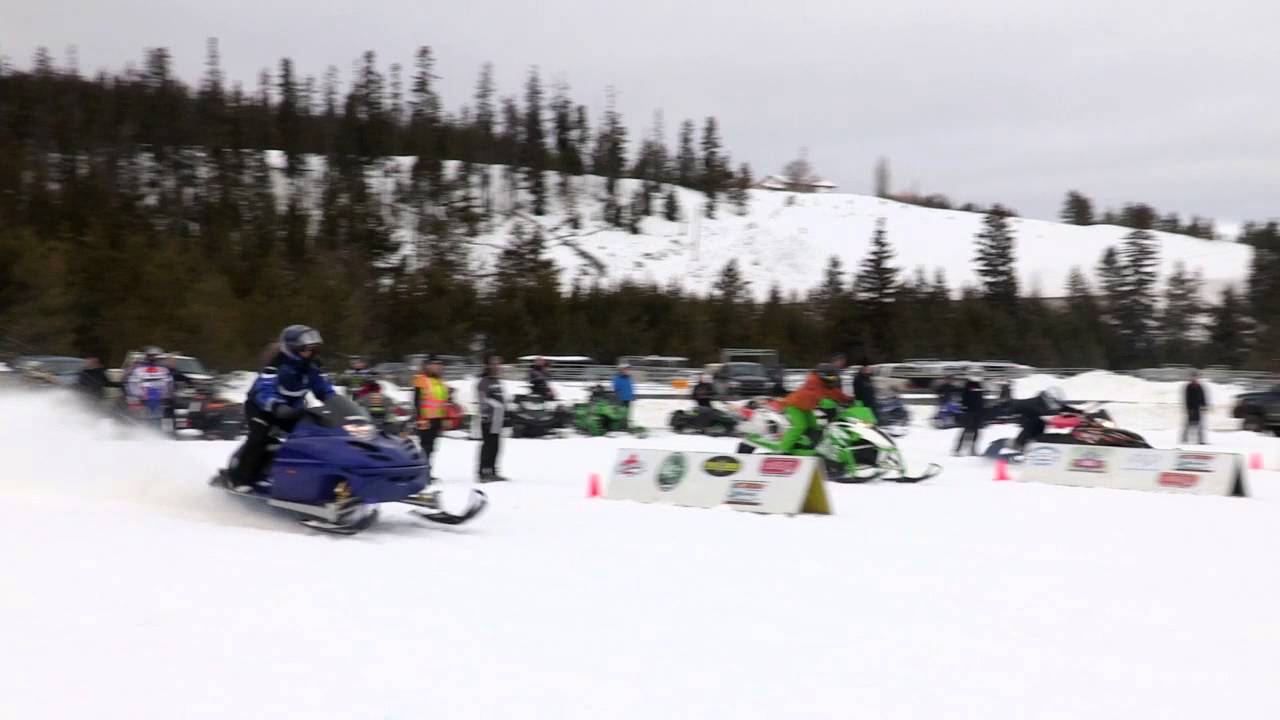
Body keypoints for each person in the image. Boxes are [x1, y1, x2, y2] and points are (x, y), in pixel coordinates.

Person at [222, 325, 334, 492]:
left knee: (311, 437)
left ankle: (301, 480)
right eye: (306, 350)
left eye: (313, 349)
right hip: (262, 407)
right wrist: (275, 405)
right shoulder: (276, 365)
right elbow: (263, 388)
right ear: (293, 349)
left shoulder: (313, 366)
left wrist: (335, 403)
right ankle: (239, 478)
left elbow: (323, 388)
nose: (310, 353)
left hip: (292, 410)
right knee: (260, 437)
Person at [752, 363, 851, 455]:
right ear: (823, 375)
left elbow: (834, 393)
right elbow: (820, 393)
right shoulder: (813, 382)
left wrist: (848, 399)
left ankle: (808, 445)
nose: (834, 379)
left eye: (835, 376)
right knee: (800, 426)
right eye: (832, 376)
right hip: (794, 405)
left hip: (806, 408)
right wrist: (825, 401)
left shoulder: (823, 385)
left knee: (814, 427)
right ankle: (783, 449)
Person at [413, 355, 451, 477]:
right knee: (425, 448)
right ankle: (422, 473)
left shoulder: (440, 381)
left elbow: (443, 402)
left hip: (437, 419)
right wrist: (420, 418)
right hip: (425, 419)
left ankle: (427, 471)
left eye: (440, 365)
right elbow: (417, 401)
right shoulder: (421, 379)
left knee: (432, 448)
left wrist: (446, 418)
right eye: (435, 365)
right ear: (428, 365)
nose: (438, 367)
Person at [1008, 387, 1077, 451]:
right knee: (1034, 423)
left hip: (1027, 416)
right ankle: (1020, 444)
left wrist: (1078, 411)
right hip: (1014, 413)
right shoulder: (1037, 404)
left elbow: (1062, 408)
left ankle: (1034, 441)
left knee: (1039, 423)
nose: (1058, 405)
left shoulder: (1045, 402)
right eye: (1057, 402)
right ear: (1050, 399)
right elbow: (1052, 412)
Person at [476, 356, 509, 482]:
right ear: (487, 366)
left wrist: (506, 415)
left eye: (498, 365)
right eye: (494, 364)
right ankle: (483, 472)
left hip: (498, 419)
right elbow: (483, 400)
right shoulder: (484, 381)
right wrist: (485, 415)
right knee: (488, 445)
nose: (497, 367)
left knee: (496, 446)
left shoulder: (497, 381)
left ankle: (493, 470)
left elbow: (501, 400)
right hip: (488, 419)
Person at [126, 346, 174, 429]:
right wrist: (136, 394)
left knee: (159, 415)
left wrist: (168, 393)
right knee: (141, 414)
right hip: (144, 396)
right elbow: (132, 381)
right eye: (151, 355)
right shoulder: (139, 368)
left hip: (159, 396)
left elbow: (169, 381)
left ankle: (158, 430)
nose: (153, 357)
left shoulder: (164, 369)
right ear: (147, 356)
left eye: (155, 355)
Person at [954, 369, 986, 455]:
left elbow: (981, 399)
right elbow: (963, 398)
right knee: (966, 431)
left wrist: (982, 410)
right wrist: (964, 407)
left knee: (976, 432)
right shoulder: (967, 385)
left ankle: (973, 449)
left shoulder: (980, 385)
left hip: (978, 412)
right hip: (969, 412)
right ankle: (957, 449)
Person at [1183, 371, 1209, 444]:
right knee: (1188, 424)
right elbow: (1187, 398)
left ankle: (1200, 440)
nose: (1195, 378)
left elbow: (1202, 397)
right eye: (1193, 377)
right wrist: (1188, 409)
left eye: (1196, 377)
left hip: (1198, 408)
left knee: (1200, 425)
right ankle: (1184, 439)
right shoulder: (1188, 386)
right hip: (1191, 408)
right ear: (1191, 378)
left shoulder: (1200, 386)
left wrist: (1204, 405)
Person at [612, 362, 636, 427]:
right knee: (621, 412)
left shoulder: (629, 378)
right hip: (621, 398)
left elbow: (631, 387)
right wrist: (617, 395)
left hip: (628, 398)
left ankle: (625, 424)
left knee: (627, 412)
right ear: (621, 370)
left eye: (628, 369)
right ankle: (620, 425)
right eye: (625, 369)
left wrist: (633, 395)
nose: (627, 371)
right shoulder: (617, 378)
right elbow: (615, 388)